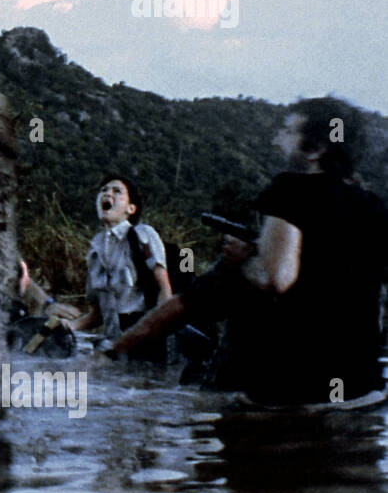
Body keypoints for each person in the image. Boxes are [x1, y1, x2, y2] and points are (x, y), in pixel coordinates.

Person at [108, 98, 388, 406]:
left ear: (316, 149)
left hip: (285, 401)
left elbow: (272, 277)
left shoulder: (291, 189)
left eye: (288, 131)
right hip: (363, 396)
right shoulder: (374, 207)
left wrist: (245, 261)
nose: (277, 139)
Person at [62, 174, 173, 357]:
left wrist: (159, 332)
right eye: (103, 190)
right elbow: (98, 314)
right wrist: (70, 326)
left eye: (117, 191)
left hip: (145, 340)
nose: (107, 194)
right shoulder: (94, 250)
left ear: (131, 208)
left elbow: (164, 290)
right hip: (112, 344)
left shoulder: (143, 235)